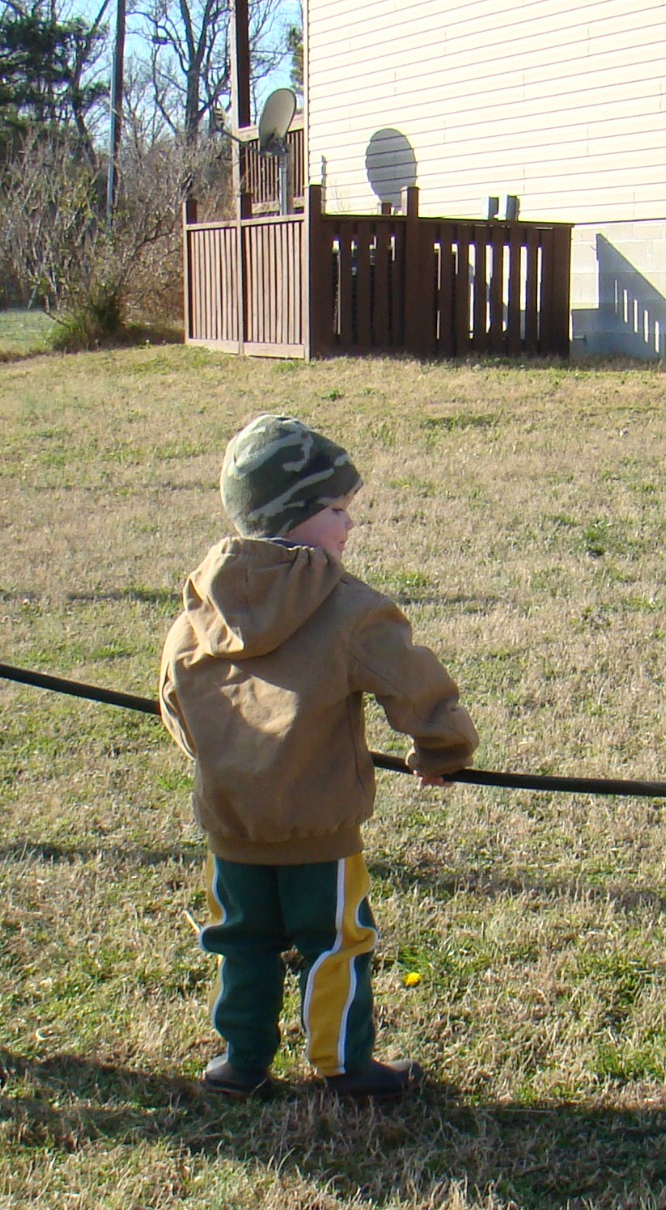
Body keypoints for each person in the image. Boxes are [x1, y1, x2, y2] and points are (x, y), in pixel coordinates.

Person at [159, 414, 477, 1101]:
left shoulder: (198, 610)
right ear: (294, 518)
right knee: (334, 947)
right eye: (336, 509)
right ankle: (342, 1066)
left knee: (241, 944)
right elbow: (413, 683)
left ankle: (240, 1065)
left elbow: (175, 703)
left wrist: (221, 759)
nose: (348, 525)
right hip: (320, 839)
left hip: (232, 830)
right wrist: (443, 749)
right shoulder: (349, 607)